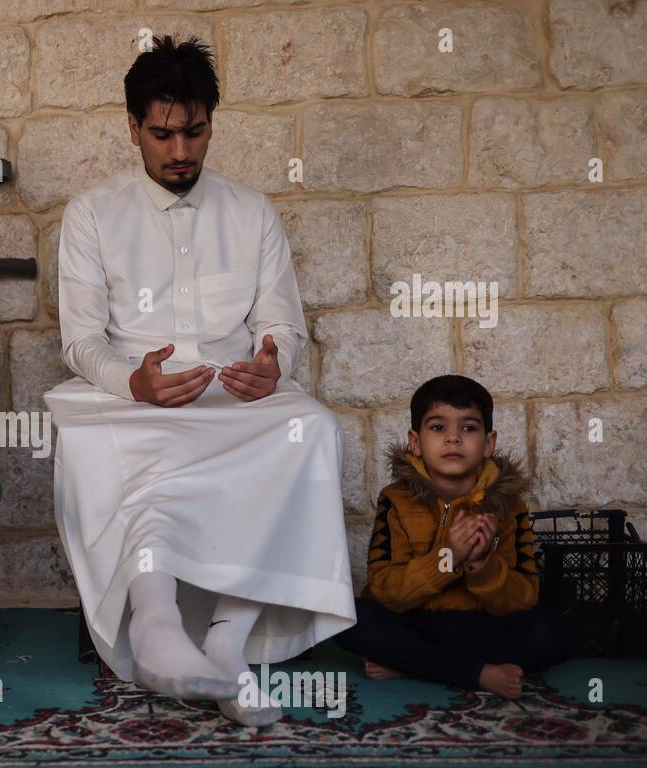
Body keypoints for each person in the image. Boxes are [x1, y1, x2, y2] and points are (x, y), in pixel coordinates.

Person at [45, 36, 356, 726]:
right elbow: (80, 340)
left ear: (212, 123)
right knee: (107, 445)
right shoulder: (92, 215)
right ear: (133, 129)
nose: (179, 151)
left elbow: (282, 323)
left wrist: (273, 363)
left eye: (193, 132)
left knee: (313, 432)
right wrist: (135, 384)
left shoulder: (252, 213)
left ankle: (227, 642)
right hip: (131, 395)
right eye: (161, 134)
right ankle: (155, 625)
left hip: (231, 395)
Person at [334, 375, 567, 699]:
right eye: (438, 428)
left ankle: (413, 665)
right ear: (415, 442)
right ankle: (479, 673)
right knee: (349, 617)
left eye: (469, 428)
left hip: (482, 628)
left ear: (489, 443)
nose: (453, 439)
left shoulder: (509, 505)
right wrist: (447, 558)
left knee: (552, 631)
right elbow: (386, 591)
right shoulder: (396, 498)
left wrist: (482, 564)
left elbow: (523, 597)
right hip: (417, 623)